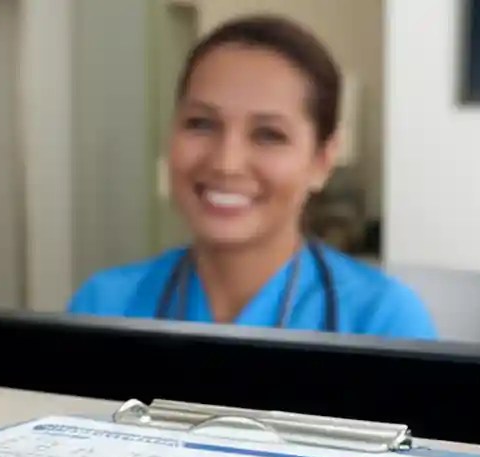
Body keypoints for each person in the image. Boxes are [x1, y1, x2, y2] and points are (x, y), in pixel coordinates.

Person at [67, 15, 436, 339]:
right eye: (201, 124)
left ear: (322, 160)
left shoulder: (382, 321)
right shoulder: (104, 306)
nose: (227, 163)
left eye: (269, 134)